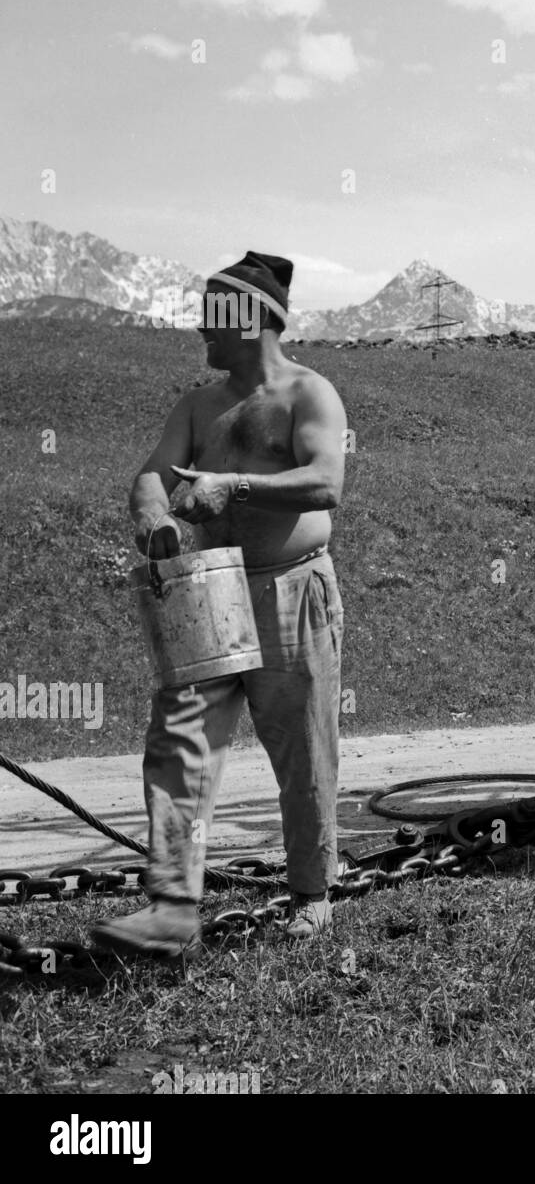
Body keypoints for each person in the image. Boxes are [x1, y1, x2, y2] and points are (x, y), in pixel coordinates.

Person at [92, 252, 347, 957]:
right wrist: (157, 518)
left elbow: (326, 482)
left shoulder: (308, 394)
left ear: (252, 315)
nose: (201, 326)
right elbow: (153, 473)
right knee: (179, 739)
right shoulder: (198, 404)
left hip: (290, 589)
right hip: (208, 589)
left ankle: (311, 895)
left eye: (212, 310)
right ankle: (173, 907)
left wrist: (233, 486)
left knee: (302, 748)